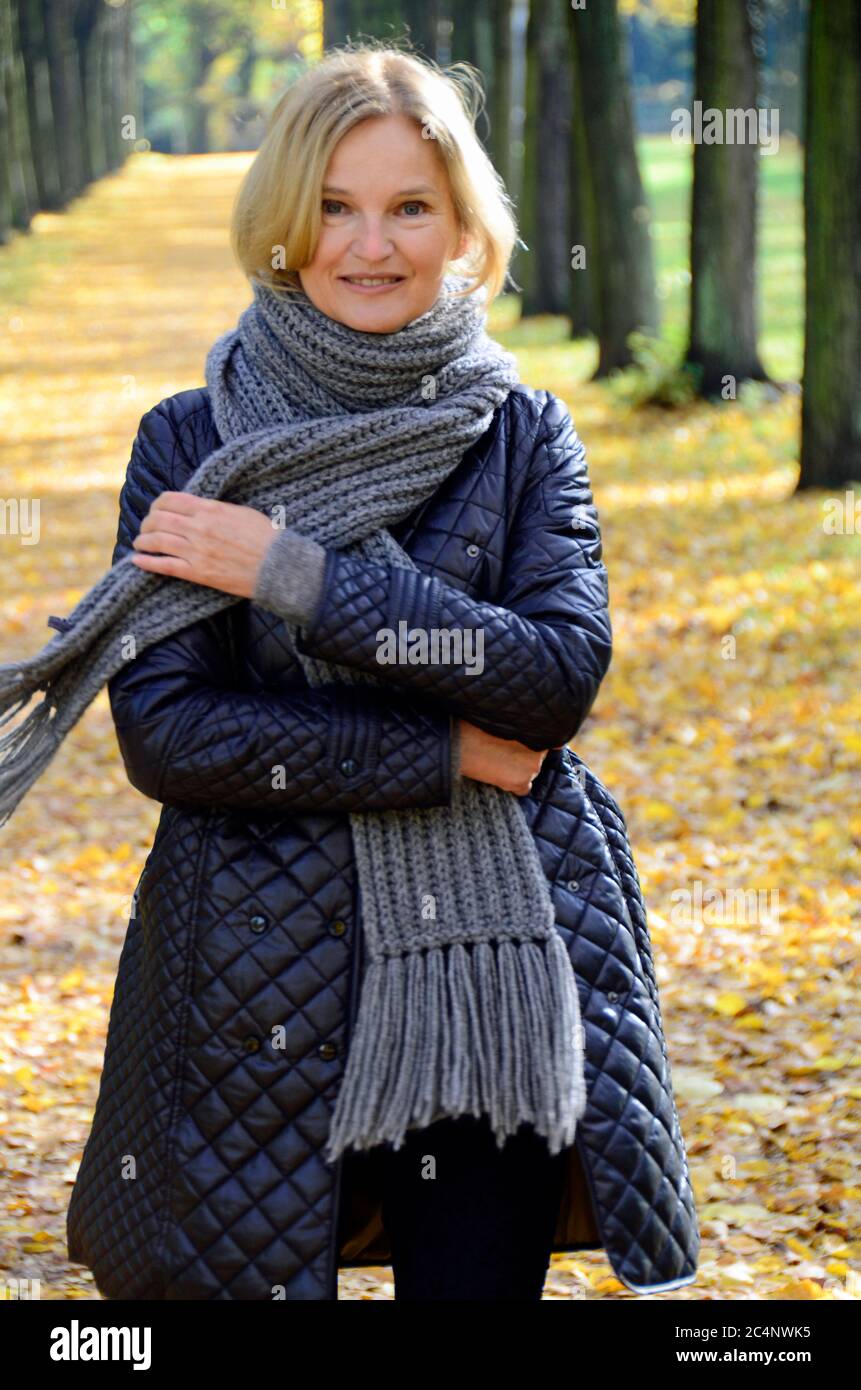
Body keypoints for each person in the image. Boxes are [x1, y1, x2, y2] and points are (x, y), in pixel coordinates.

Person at [57, 43, 698, 1301]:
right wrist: (446, 750)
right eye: (335, 207)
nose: (371, 244)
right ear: (287, 225)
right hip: (250, 977)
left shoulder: (522, 433)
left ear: (463, 223)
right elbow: (170, 737)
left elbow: (556, 677)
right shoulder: (190, 442)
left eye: (410, 205)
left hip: (488, 973)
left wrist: (294, 574)